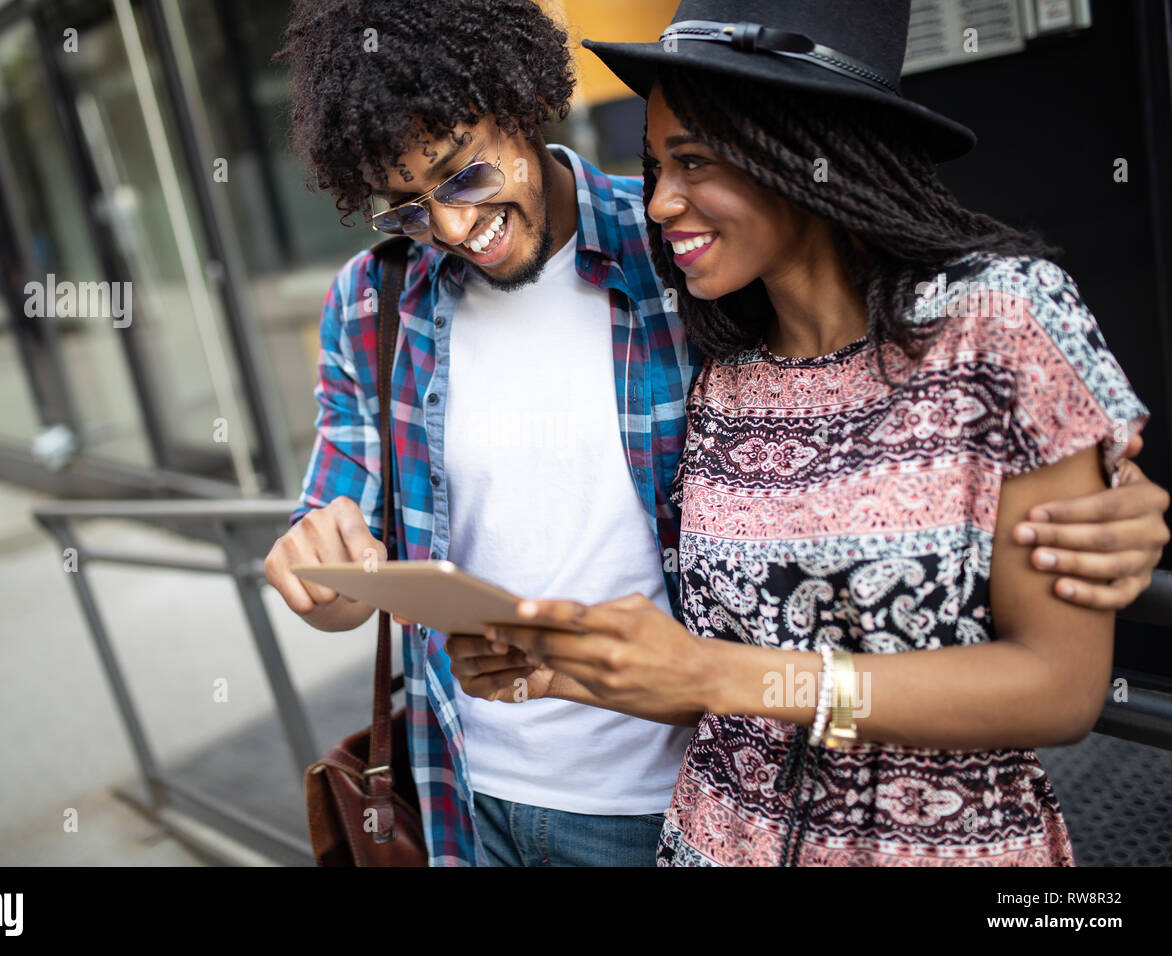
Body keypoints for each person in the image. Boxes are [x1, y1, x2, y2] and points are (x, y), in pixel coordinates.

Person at [263, 0, 1170, 867]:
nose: (453, 227)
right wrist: (338, 578)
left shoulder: (693, 276)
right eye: (409, 207)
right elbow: (347, 542)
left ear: (521, 103)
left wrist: (1090, 484)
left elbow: (1038, 664)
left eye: (465, 174)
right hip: (487, 792)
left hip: (676, 801)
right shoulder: (721, 347)